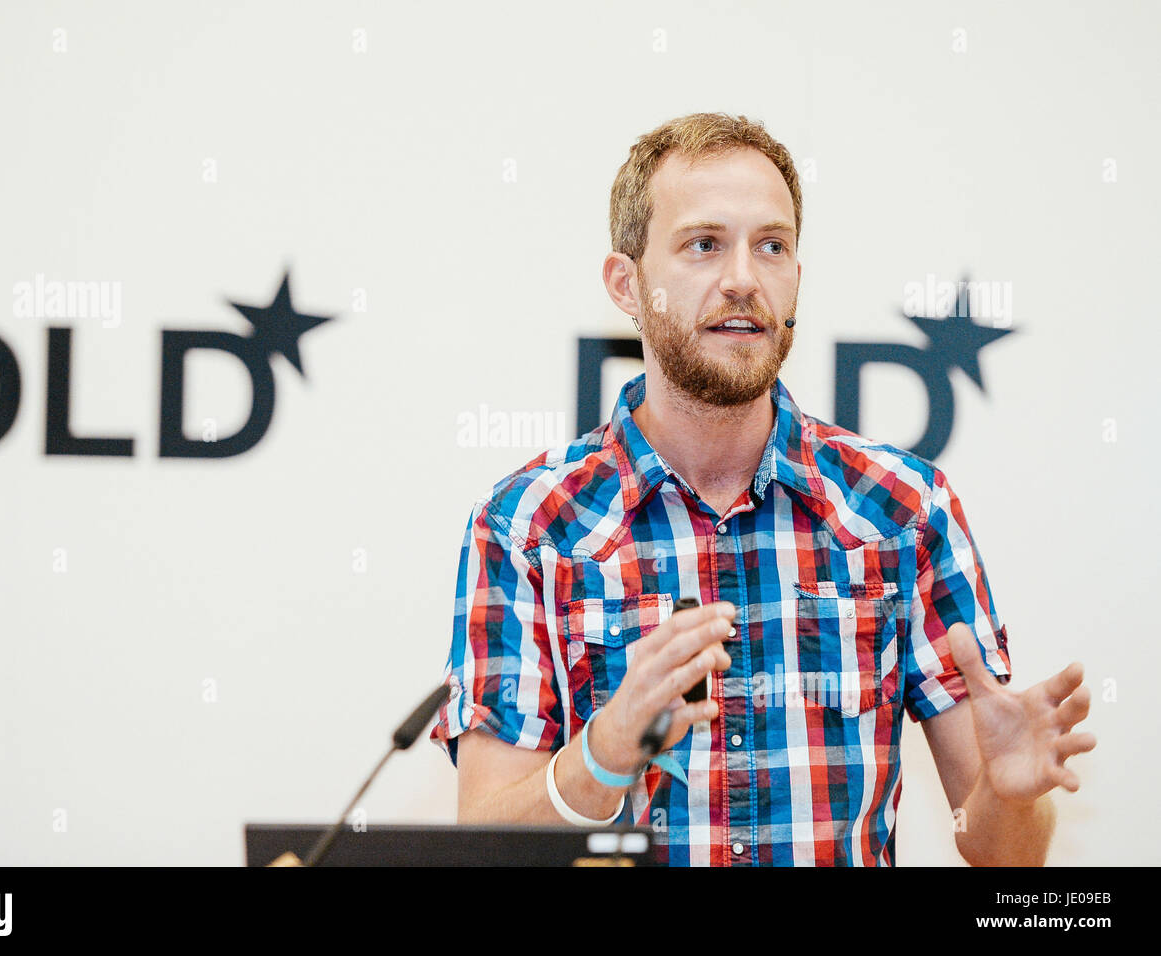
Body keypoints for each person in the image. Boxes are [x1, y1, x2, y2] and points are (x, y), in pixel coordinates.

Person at [430, 112, 1096, 866]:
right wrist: (606, 752)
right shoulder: (527, 526)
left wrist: (1008, 798)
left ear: (796, 281)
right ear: (627, 283)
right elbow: (482, 851)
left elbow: (1005, 858)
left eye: (771, 247)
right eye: (704, 244)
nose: (744, 278)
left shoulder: (905, 510)